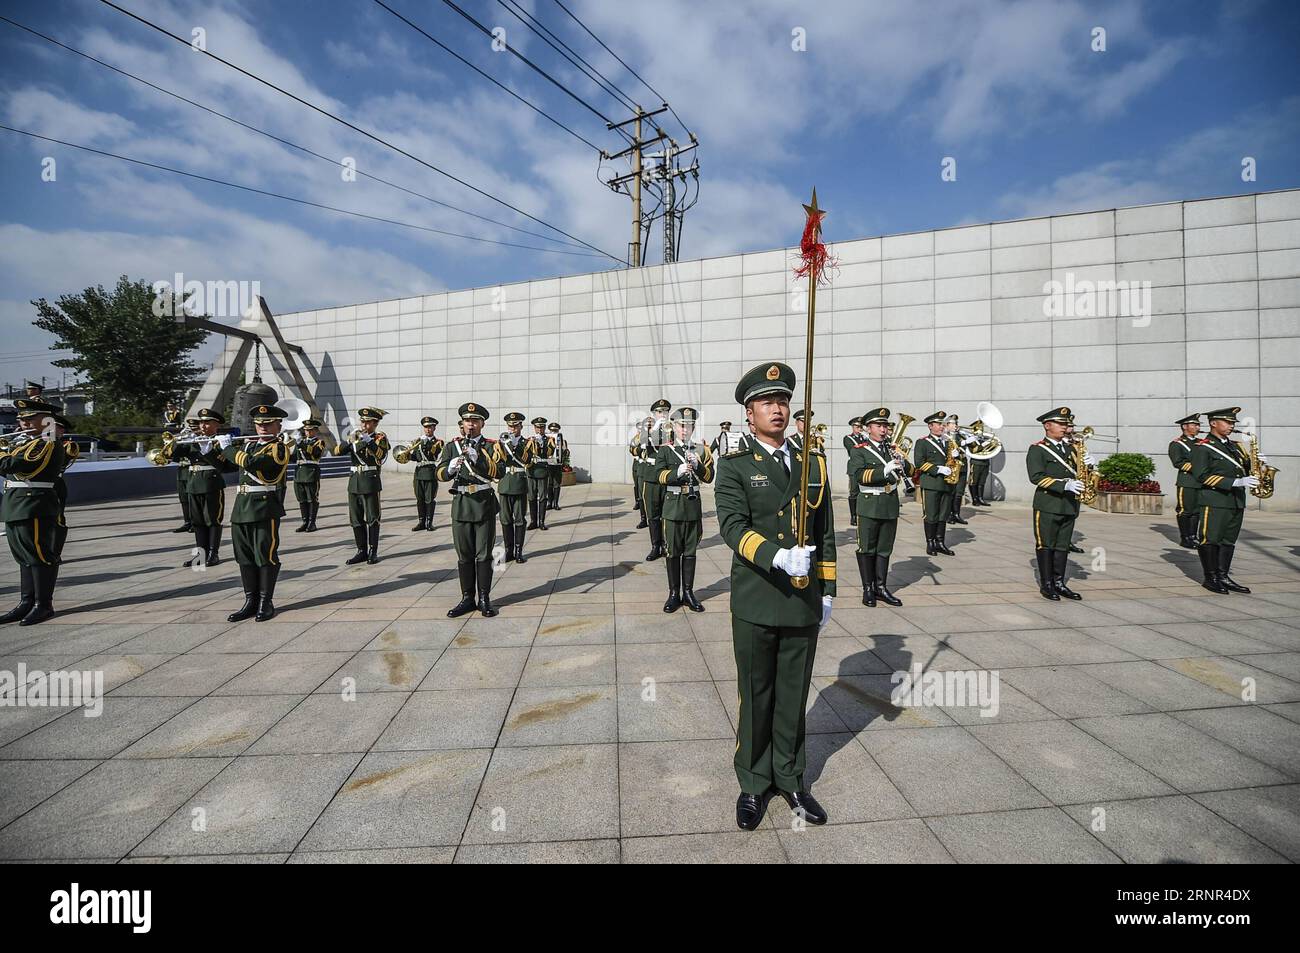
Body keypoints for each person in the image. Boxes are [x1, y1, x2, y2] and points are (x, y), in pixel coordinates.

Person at [715, 362, 836, 831]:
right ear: (749, 413)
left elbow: (824, 532)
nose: (778, 409)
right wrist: (777, 556)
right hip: (758, 596)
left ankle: (790, 778)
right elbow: (732, 527)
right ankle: (752, 781)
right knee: (756, 692)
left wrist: (827, 592)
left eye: (783, 401)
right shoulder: (735, 465)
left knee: (793, 693)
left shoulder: (815, 463)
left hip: (803, 601)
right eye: (767, 402)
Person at [219, 404, 290, 622]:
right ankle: (250, 601)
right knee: (245, 557)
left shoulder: (279, 448)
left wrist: (228, 448)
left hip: (263, 507)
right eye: (259, 424)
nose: (262, 427)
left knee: (265, 555)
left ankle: (265, 602)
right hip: (242, 508)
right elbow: (227, 467)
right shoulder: (248, 446)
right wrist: (210, 451)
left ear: (278, 425)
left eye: (268, 424)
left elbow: (252, 463)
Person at [0, 399, 68, 625]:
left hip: (34, 504)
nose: (23, 422)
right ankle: (26, 602)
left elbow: (15, 466)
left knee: (39, 556)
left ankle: (43, 605)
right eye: (21, 418)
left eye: (30, 418)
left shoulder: (47, 442)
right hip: (17, 503)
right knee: (24, 557)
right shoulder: (25, 441)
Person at [437, 402, 502, 617]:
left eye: (475, 421)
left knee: (483, 554)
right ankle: (467, 598)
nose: (471, 425)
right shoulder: (452, 446)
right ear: (462, 424)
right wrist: (449, 468)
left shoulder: (492, 446)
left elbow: (499, 472)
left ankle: (484, 598)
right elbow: (439, 473)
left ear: (482, 423)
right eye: (467, 421)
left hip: (483, 503)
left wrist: (478, 459)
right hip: (462, 503)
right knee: (464, 554)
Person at [1193, 407, 1264, 594]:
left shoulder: (1235, 446)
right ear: (1213, 423)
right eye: (1228, 422)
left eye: (1233, 423)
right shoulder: (1202, 447)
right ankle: (1211, 578)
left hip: (1236, 500)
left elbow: (1242, 469)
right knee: (1210, 540)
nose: (1232, 426)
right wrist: (1236, 482)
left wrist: (1257, 463)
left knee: (1228, 541)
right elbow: (1201, 476)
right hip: (1215, 500)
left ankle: (1223, 576)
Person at [652, 407, 714, 612]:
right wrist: (675, 473)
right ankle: (673, 594)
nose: (685, 429)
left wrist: (698, 466)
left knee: (690, 551)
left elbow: (709, 477)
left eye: (689, 426)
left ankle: (688, 593)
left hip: (692, 506)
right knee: (672, 551)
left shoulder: (701, 450)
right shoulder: (665, 450)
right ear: (674, 427)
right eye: (681, 425)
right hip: (673, 506)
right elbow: (658, 475)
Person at [848, 408, 911, 607]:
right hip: (869, 504)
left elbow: (911, 470)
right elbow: (858, 475)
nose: (883, 430)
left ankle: (881, 588)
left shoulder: (891, 448)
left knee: (884, 548)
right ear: (868, 428)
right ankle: (868, 588)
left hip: (889, 503)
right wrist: (884, 469)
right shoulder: (859, 450)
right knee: (867, 547)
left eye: (885, 426)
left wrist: (903, 462)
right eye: (879, 426)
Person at [1027, 406, 1086, 601]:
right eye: (1060, 423)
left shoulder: (1071, 448)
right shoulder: (1037, 449)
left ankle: (1060, 583)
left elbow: (1078, 473)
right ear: (1047, 425)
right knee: (1046, 544)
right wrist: (1064, 485)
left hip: (1069, 504)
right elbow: (1036, 477)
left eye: (1065, 424)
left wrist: (1089, 464)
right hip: (1048, 504)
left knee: (1062, 545)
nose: (1065, 427)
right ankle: (1047, 585)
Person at [170, 408, 237, 567]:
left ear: (216, 425)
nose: (203, 426)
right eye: (201, 422)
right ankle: (200, 556)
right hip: (193, 484)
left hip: (211, 483)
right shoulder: (193, 440)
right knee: (198, 522)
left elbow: (227, 467)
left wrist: (209, 450)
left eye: (207, 423)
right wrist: (176, 441)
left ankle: (213, 554)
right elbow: (173, 455)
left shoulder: (221, 441)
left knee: (212, 520)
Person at [334, 408, 390, 565]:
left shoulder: (380, 438)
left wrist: (368, 440)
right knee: (356, 519)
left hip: (370, 480)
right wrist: (349, 441)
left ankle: (373, 551)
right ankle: (361, 551)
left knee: (372, 518)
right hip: (354, 481)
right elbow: (337, 451)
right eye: (362, 421)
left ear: (375, 423)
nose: (364, 424)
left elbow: (380, 455)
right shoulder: (355, 437)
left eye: (368, 422)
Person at [913, 411, 956, 556]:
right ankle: (930, 542)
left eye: (943, 424)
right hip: (931, 483)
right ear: (930, 426)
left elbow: (953, 462)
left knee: (943, 514)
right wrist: (937, 469)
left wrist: (956, 456)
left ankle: (940, 542)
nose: (942, 427)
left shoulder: (948, 441)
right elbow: (919, 463)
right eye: (939, 424)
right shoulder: (923, 442)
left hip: (946, 484)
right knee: (931, 515)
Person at [497, 412, 532, 562]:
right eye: (510, 426)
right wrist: (505, 444)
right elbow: (497, 460)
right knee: (505, 519)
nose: (512, 429)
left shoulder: (527, 442)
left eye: (515, 426)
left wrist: (514, 445)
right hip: (505, 482)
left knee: (519, 519)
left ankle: (518, 551)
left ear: (521, 426)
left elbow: (528, 460)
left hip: (519, 482)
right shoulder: (501, 442)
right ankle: (508, 550)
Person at [640, 399, 672, 560]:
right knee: (653, 513)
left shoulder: (673, 428)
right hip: (652, 475)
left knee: (666, 512)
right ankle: (655, 546)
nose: (663, 414)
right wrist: (656, 427)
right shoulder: (647, 428)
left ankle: (666, 545)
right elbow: (643, 444)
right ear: (654, 414)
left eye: (665, 412)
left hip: (666, 475)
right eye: (660, 412)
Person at [1169, 412, 1202, 549]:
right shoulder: (1177, 444)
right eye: (1195, 425)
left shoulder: (1201, 443)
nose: (1198, 428)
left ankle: (1193, 536)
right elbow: (1178, 463)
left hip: (1200, 482)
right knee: (1185, 510)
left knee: (1196, 511)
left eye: (1198, 425)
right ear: (1185, 426)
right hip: (1187, 481)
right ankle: (1185, 537)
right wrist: (1200, 467)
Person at [407, 416, 444, 532]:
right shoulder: (418, 441)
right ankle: (421, 521)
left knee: (429, 499)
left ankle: (429, 522)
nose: (428, 430)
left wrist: (423, 443)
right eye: (426, 427)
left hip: (429, 472)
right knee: (420, 499)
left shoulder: (438, 442)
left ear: (434, 428)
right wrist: (407, 455)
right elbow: (415, 457)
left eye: (430, 427)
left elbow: (433, 454)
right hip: (418, 473)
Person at [290, 417, 326, 532]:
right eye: (306, 430)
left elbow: (315, 453)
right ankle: (305, 522)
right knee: (302, 499)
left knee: (312, 499)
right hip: (299, 473)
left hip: (311, 472)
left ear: (315, 430)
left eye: (310, 430)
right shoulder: (301, 442)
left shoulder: (319, 442)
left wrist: (301, 444)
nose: (308, 432)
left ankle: (312, 522)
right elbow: (294, 457)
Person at [163, 404, 193, 533]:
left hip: (191, 470)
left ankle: (195, 523)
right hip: (181, 471)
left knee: (192, 498)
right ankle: (187, 522)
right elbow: (174, 456)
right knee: (183, 498)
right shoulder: (180, 436)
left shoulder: (193, 438)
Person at [526, 416, 553, 532]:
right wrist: (531, 443)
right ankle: (533, 521)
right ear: (534, 428)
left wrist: (541, 444)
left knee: (542, 497)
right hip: (532, 470)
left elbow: (550, 452)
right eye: (537, 427)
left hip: (542, 470)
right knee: (531, 497)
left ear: (544, 428)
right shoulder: (528, 440)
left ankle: (542, 521)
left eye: (542, 427)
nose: (539, 430)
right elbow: (525, 455)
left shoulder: (549, 440)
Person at [944, 414, 970, 526]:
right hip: (952, 467)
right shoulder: (944, 436)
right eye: (953, 423)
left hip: (962, 465)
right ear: (947, 425)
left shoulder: (960, 435)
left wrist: (969, 440)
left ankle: (956, 514)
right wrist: (961, 444)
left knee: (959, 492)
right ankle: (949, 515)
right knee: (951, 491)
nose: (955, 425)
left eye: (956, 423)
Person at [842, 416, 867, 527]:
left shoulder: (865, 437)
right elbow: (852, 450)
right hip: (854, 467)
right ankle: (853, 516)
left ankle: (862, 513)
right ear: (853, 427)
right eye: (857, 426)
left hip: (865, 467)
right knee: (854, 492)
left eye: (861, 426)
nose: (859, 428)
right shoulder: (848, 438)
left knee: (864, 491)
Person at [629, 416, 653, 527]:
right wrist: (641, 447)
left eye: (651, 426)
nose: (649, 428)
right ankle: (643, 519)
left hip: (655, 470)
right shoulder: (638, 438)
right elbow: (632, 450)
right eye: (647, 426)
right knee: (641, 495)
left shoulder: (658, 437)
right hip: (642, 469)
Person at [547, 421, 568, 512]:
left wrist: (564, 451)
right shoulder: (546, 439)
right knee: (549, 484)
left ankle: (555, 503)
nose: (554, 432)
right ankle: (549, 503)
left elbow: (565, 452)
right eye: (552, 431)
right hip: (549, 464)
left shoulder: (562, 440)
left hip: (557, 465)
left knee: (556, 484)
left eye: (555, 431)